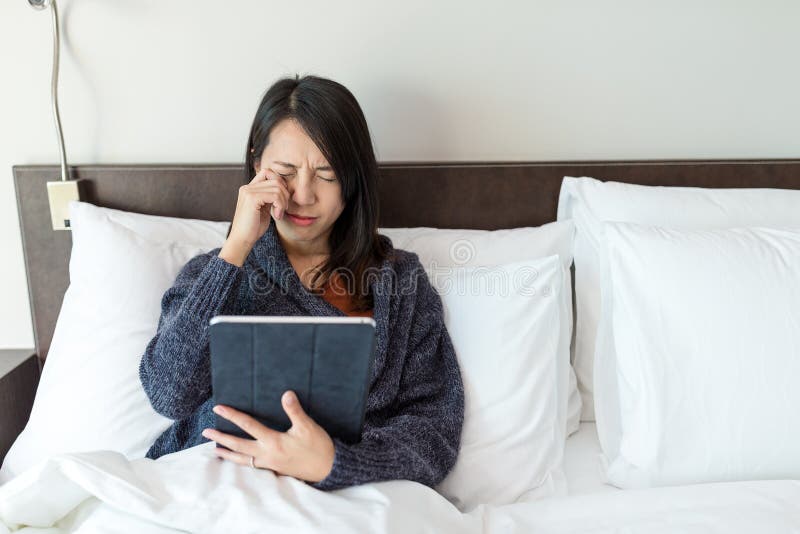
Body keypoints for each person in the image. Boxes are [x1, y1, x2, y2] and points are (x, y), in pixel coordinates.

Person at [138, 74, 465, 491]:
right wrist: (236, 249)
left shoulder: (399, 283)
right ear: (257, 164)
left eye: (327, 174)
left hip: (349, 494)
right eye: (285, 172)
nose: (303, 195)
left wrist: (334, 461)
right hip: (215, 484)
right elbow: (169, 394)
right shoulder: (213, 273)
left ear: (353, 179)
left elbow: (434, 430)